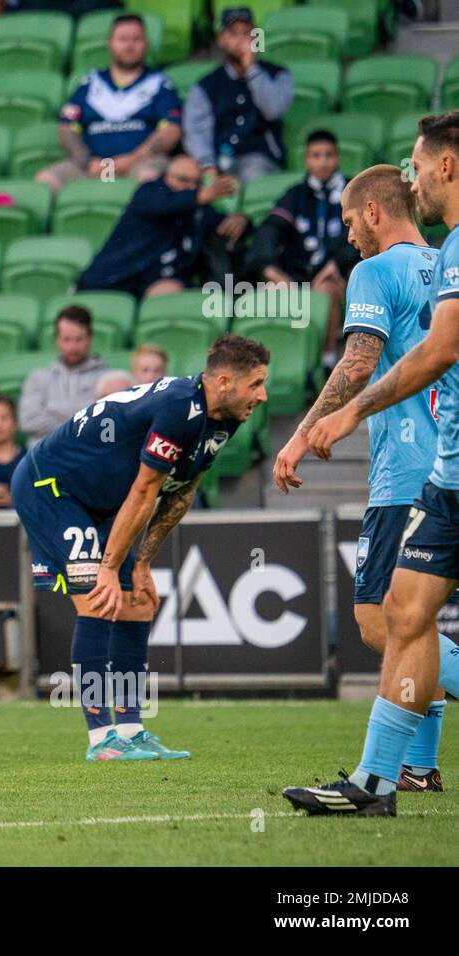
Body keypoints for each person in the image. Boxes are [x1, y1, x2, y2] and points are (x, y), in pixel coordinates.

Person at [286, 114, 459, 815]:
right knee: (408, 616)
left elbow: (361, 359)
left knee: (377, 619)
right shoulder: (441, 259)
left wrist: (309, 430)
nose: (347, 233)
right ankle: (394, 776)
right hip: (442, 464)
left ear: (373, 211)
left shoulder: (374, 269)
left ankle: (394, 773)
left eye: (352, 220)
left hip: (407, 469)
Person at [12, 334, 270, 761]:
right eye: (256, 384)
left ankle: (130, 729)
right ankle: (101, 740)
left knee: (137, 603)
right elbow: (145, 488)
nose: (262, 396)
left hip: (105, 502)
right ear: (224, 381)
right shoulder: (178, 408)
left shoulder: (225, 415)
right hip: (52, 488)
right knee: (99, 599)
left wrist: (143, 563)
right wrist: (110, 567)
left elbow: (182, 491)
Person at [244, 129, 359, 367]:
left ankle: (327, 363)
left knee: (326, 290)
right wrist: (272, 272)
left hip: (340, 273)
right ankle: (281, 366)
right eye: (316, 155)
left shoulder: (352, 192)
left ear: (337, 157)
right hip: (296, 273)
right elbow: (268, 231)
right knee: (270, 292)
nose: (323, 161)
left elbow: (363, 233)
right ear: (306, 159)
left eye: (328, 155)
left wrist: (334, 264)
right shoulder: (295, 195)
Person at [36, 13, 182, 194]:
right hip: (90, 165)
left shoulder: (160, 83)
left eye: (136, 39)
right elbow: (66, 128)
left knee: (149, 178)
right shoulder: (90, 83)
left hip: (140, 164)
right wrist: (87, 161)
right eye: (123, 39)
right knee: (45, 181)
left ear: (146, 43)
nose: (129, 45)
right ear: (110, 43)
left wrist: (132, 159)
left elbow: (171, 131)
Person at [76, 155, 247, 298]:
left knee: (172, 293)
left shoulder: (199, 210)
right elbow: (168, 203)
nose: (190, 187)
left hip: (151, 283)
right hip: (110, 280)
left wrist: (240, 219)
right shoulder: (149, 192)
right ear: (166, 177)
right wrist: (203, 194)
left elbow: (224, 223)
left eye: (197, 183)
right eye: (183, 180)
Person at [183, 6, 294, 184]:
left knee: (254, 176)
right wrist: (207, 163)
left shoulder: (277, 74)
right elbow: (196, 130)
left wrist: (252, 69)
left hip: (260, 158)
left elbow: (273, 110)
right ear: (221, 39)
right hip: (216, 161)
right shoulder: (206, 85)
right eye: (233, 33)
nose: (241, 40)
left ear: (256, 37)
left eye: (246, 33)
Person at [18, 306, 109, 444]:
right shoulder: (37, 378)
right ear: (57, 339)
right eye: (66, 339)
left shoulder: (108, 379)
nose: (72, 347)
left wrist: (54, 412)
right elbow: (28, 421)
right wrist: (81, 418)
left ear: (90, 337)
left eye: (79, 339)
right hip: (45, 458)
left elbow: (106, 424)